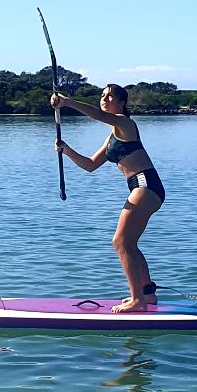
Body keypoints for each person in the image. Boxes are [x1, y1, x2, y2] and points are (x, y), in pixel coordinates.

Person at [51, 84, 165, 313]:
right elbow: (90, 165)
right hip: (141, 187)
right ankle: (147, 295)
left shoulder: (124, 123)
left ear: (122, 102)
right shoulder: (112, 136)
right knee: (129, 243)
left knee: (120, 242)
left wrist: (67, 102)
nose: (105, 98)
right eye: (102, 95)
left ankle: (137, 301)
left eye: (110, 95)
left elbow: (98, 115)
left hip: (145, 184)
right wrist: (67, 149)